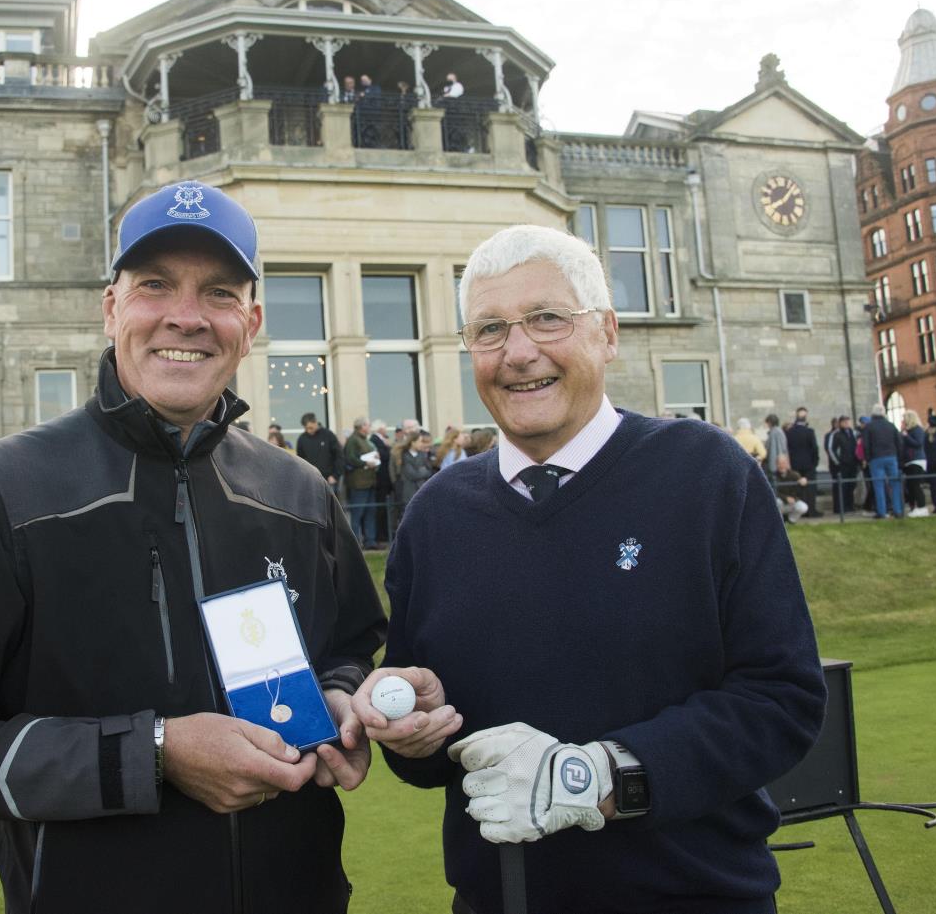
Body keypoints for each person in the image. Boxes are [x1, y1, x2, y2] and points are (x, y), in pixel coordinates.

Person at [0, 180, 386, 914]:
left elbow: (347, 647)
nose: (186, 316)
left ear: (252, 319)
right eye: (155, 285)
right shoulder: (2, 487)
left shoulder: (299, 490)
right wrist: (156, 752)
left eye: (219, 293)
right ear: (111, 307)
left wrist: (338, 700)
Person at [348, 225, 823, 914]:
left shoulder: (706, 473)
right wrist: (414, 726)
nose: (518, 352)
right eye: (489, 329)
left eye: (547, 318)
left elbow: (782, 700)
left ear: (607, 332)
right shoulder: (435, 515)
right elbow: (424, 760)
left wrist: (601, 775)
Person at [343, 417, 380, 550]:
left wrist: (375, 458)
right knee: (357, 513)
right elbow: (350, 458)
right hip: (358, 482)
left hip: (370, 481)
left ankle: (371, 541)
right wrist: (365, 463)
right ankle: (355, 542)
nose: (369, 427)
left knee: (371, 511)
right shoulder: (353, 440)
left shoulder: (365, 440)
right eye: (367, 425)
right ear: (361, 426)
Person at [785, 407, 821, 517]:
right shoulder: (809, 432)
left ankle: (800, 511)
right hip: (809, 464)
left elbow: (788, 449)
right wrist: (815, 462)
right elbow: (814, 448)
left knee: (797, 488)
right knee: (810, 488)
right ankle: (810, 510)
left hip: (795, 463)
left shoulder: (789, 432)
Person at [295, 412, 343, 491]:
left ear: (315, 422)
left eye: (310, 428)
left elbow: (339, 456)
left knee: (328, 503)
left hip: (329, 480)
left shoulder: (328, 435)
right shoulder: (302, 439)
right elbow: (300, 460)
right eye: (306, 428)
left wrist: (335, 475)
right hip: (310, 480)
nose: (308, 431)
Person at [825, 415, 858, 515]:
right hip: (841, 465)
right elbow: (830, 449)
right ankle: (840, 507)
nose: (847, 424)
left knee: (851, 485)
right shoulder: (835, 434)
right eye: (844, 422)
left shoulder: (853, 433)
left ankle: (850, 505)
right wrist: (838, 462)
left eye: (848, 421)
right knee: (841, 486)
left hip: (852, 464)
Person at [900, 410, 929, 517]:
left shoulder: (917, 430)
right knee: (911, 486)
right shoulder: (908, 431)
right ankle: (914, 507)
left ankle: (922, 507)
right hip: (909, 461)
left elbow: (918, 444)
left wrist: (906, 436)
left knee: (916, 485)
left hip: (916, 460)